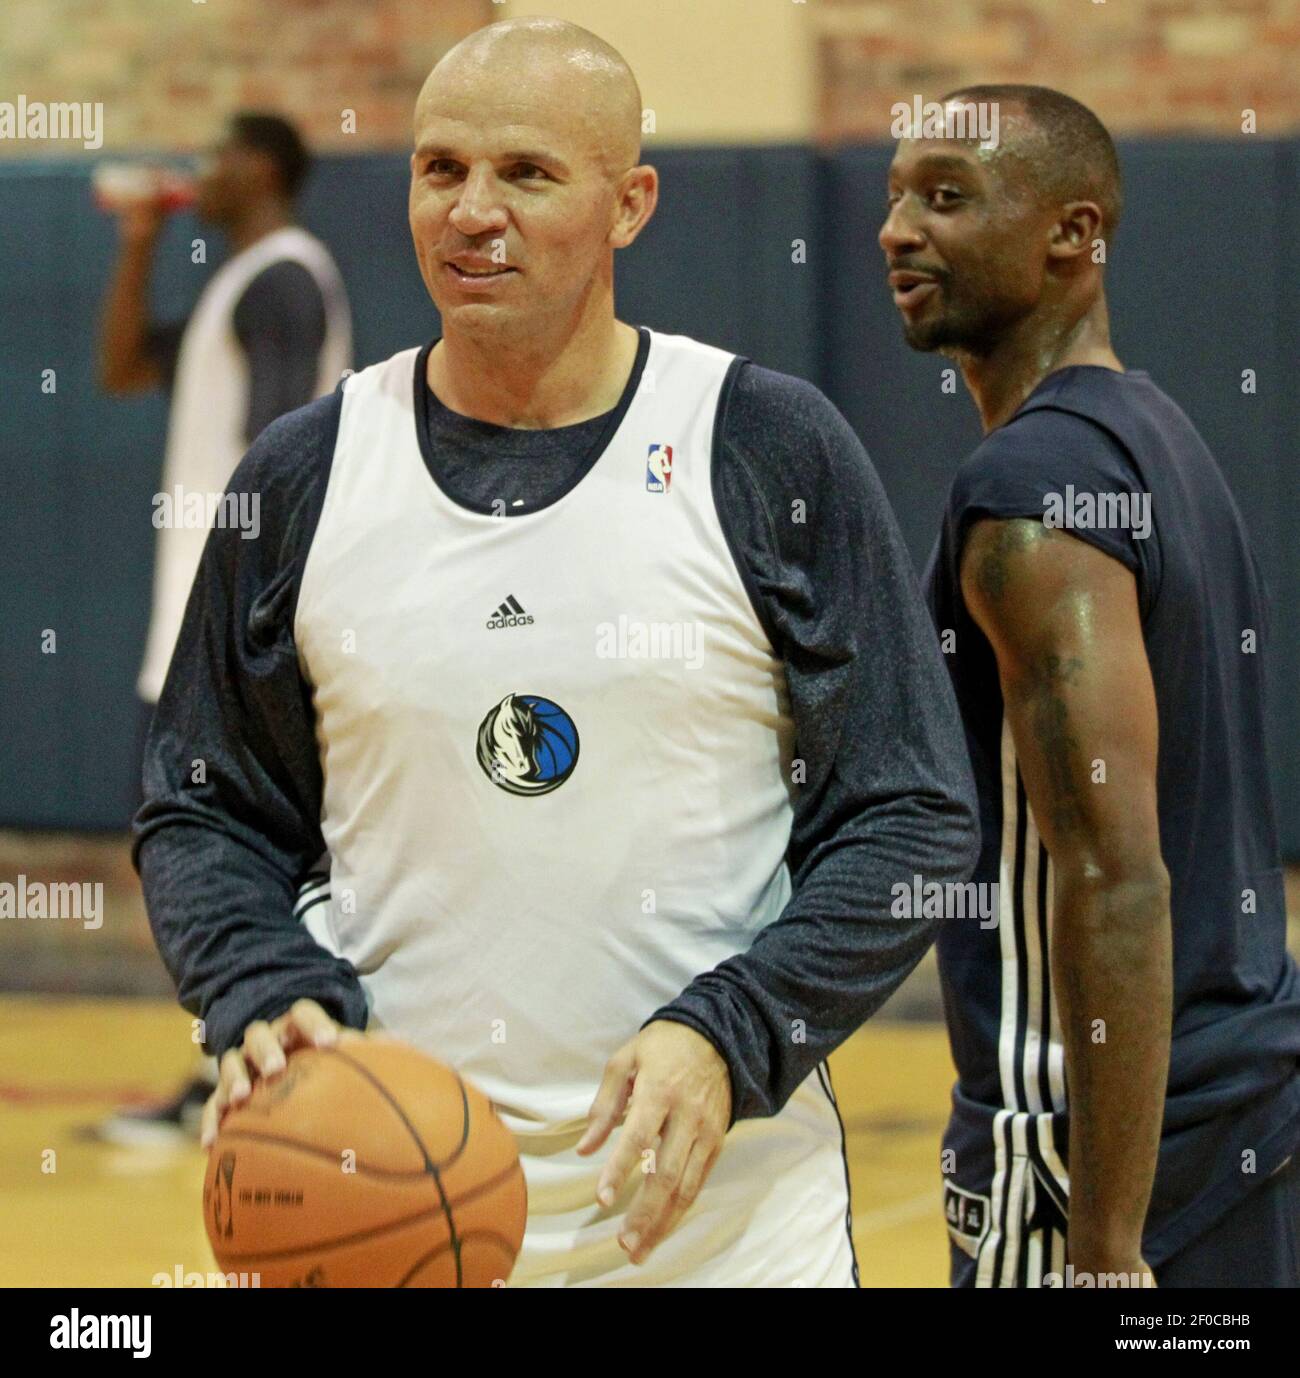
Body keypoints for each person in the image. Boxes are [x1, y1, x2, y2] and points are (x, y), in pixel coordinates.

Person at [135, 18, 979, 1286]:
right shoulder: (306, 474)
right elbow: (201, 809)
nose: (474, 212)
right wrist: (257, 981)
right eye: (440, 170)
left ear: (629, 203)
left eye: (527, 173)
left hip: (732, 1236)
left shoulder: (764, 447)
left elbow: (913, 816)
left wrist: (732, 1030)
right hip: (392, 1207)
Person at [880, 84, 1300, 1286]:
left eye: (946, 199)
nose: (898, 230)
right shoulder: (1158, 438)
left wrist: (1105, 1251)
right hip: (1232, 1112)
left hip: (1088, 1150)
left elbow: (1114, 873)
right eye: (895, 197)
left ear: (1072, 233)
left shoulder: (1035, 486)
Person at [96, 112, 351, 1145]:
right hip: (200, 614)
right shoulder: (238, 280)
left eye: (220, 155)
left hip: (248, 616)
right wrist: (140, 242)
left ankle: (264, 1056)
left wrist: (257, 624)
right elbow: (119, 366)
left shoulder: (287, 274)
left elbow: (283, 450)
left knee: (229, 845)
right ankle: (242, 1052)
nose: (200, 169)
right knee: (190, 842)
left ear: (264, 170)